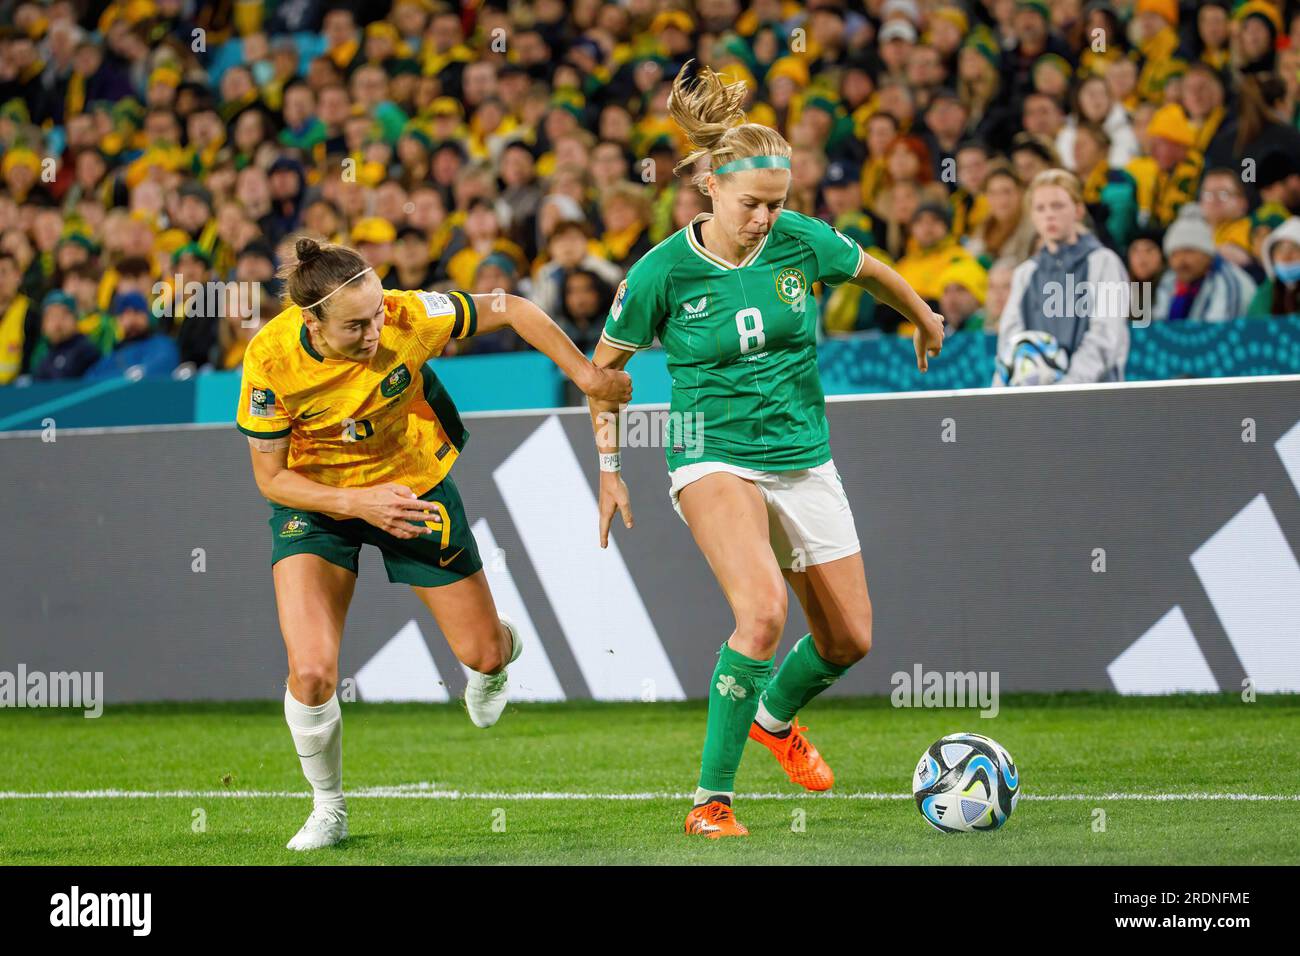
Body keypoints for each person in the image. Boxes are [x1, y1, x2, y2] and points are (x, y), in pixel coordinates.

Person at [585, 64, 945, 839]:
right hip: (707, 451)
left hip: (803, 453)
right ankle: (711, 802)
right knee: (762, 614)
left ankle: (774, 721)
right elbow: (602, 374)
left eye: (777, 205)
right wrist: (610, 469)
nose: (764, 219)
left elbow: (871, 271)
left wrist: (921, 312)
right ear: (710, 188)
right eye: (752, 204)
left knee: (851, 639)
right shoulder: (661, 272)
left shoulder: (797, 239)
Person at [238, 236, 631, 850]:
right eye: (354, 326)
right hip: (318, 505)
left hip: (413, 486)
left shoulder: (407, 313)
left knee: (484, 655)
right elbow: (270, 477)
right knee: (311, 672)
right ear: (309, 320)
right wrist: (356, 503)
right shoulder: (270, 359)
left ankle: (500, 652)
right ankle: (328, 807)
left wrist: (586, 374)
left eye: (374, 317)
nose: (373, 333)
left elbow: (511, 307)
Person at [994, 169, 1130, 385]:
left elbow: (1106, 336)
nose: (1049, 214)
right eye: (1040, 208)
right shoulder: (1025, 273)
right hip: (1036, 403)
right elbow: (1011, 343)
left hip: (1095, 399)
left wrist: (1066, 387)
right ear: (1032, 217)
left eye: (1057, 205)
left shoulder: (1104, 262)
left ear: (1078, 210)